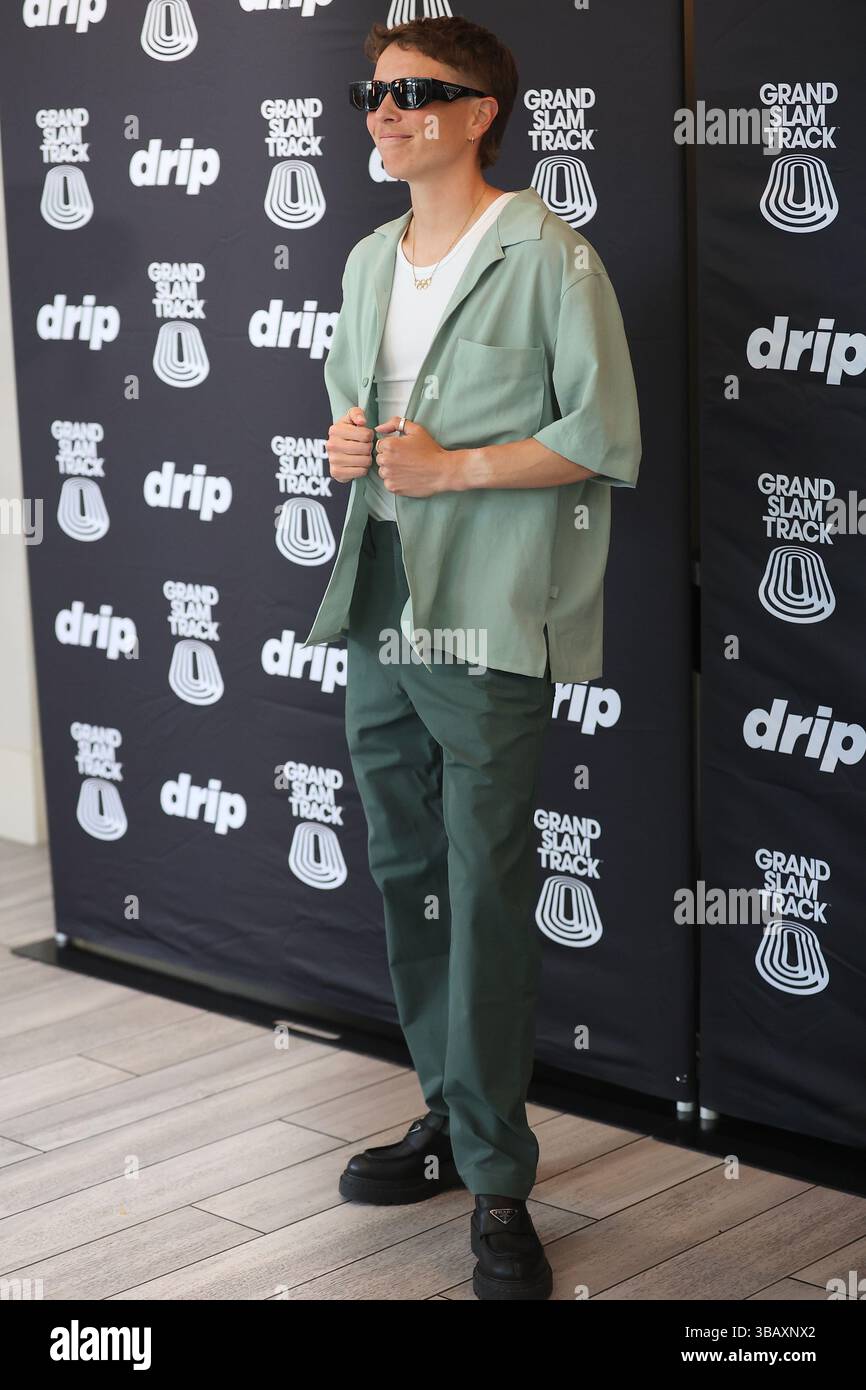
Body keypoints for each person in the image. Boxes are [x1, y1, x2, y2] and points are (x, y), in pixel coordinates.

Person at [302, 14, 642, 1301]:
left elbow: (602, 435)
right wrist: (352, 447)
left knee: (488, 887)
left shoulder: (552, 256)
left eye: (412, 93)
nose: (382, 112)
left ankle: (501, 1182)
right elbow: (364, 412)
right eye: (371, 92)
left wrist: (455, 468)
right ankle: (445, 1115)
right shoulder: (362, 259)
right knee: (405, 871)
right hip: (376, 594)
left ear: (481, 108)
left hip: (491, 609)